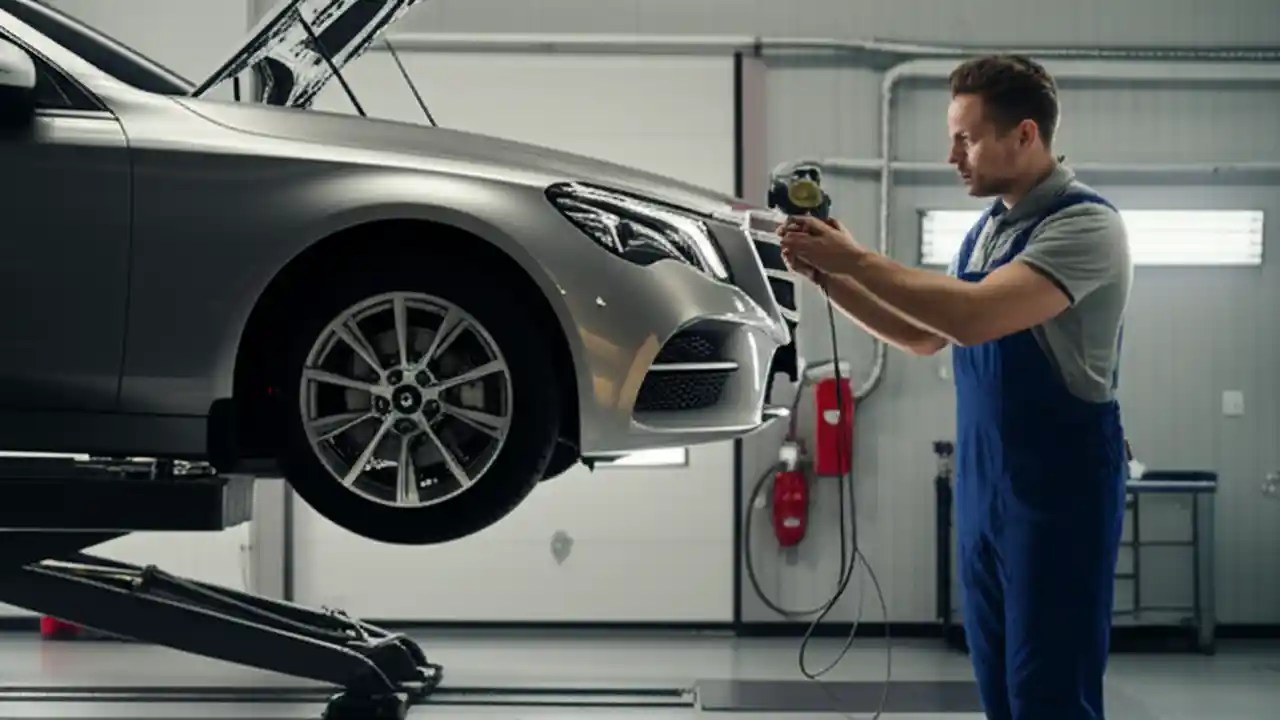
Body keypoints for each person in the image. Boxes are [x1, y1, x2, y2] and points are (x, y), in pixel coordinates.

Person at [779, 54, 1132, 720]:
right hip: (985, 488)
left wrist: (854, 258)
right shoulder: (985, 234)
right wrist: (829, 277)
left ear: (1025, 135)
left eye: (966, 138)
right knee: (999, 686)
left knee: (1049, 692)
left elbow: (971, 317)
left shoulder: (1086, 227)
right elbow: (924, 333)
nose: (952, 156)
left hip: (1059, 494)